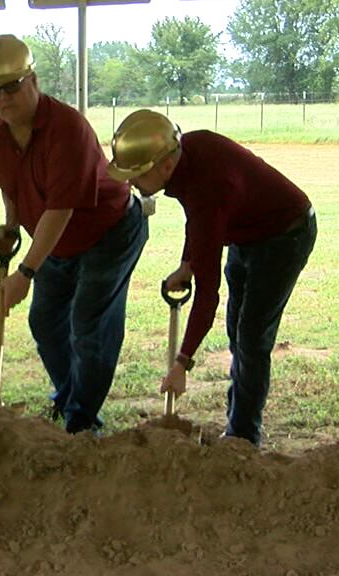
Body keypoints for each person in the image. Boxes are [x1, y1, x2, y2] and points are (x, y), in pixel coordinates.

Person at [108, 109, 316, 446]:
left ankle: (243, 436)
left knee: (251, 337)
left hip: (285, 234)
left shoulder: (207, 185)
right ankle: (238, 423)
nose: (131, 183)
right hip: (247, 232)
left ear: (165, 166)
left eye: (137, 174)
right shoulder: (187, 154)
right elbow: (197, 220)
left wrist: (182, 363)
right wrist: (187, 264)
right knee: (237, 331)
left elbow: (207, 294)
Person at [0, 34, 148, 434]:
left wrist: (25, 272)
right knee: (45, 322)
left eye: (11, 87)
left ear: (33, 81)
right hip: (56, 238)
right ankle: (71, 395)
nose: (2, 99)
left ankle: (82, 421)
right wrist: (11, 223)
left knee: (88, 325)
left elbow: (60, 210)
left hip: (109, 231)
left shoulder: (67, 128)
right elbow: (10, 185)